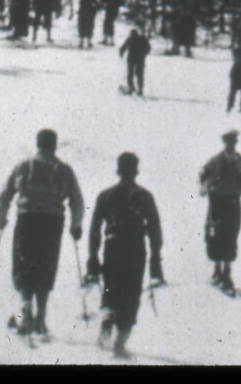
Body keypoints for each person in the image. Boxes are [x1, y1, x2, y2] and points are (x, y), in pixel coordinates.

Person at [0, 128, 86, 338]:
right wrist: (76, 224)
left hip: (27, 219)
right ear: (54, 146)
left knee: (24, 262)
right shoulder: (64, 170)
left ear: (38, 144)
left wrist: (1, 217)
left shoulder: (25, 166)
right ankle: (41, 317)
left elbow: (5, 193)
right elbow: (77, 201)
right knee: (46, 264)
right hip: (52, 222)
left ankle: (26, 310)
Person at [87, 152, 164, 358]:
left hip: (112, 247)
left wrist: (92, 257)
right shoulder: (145, 196)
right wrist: (156, 259)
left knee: (111, 288)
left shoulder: (105, 195)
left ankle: (107, 317)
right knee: (131, 295)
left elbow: (95, 228)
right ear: (136, 171)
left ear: (119, 170)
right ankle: (120, 344)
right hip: (135, 249)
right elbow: (154, 229)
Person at [199, 129, 241, 292]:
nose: (231, 147)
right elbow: (203, 175)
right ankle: (217, 270)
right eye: (229, 144)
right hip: (217, 201)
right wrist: (205, 186)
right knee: (215, 233)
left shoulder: (240, 162)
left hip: (232, 201)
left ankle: (227, 271)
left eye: (233, 144)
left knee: (231, 234)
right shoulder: (215, 161)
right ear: (225, 144)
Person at [120, 26, 150, 96]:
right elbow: (148, 48)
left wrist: (121, 54)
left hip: (131, 58)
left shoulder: (130, 39)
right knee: (139, 74)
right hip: (140, 58)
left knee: (130, 74)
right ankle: (140, 89)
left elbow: (123, 47)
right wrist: (144, 54)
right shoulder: (143, 39)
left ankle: (131, 88)